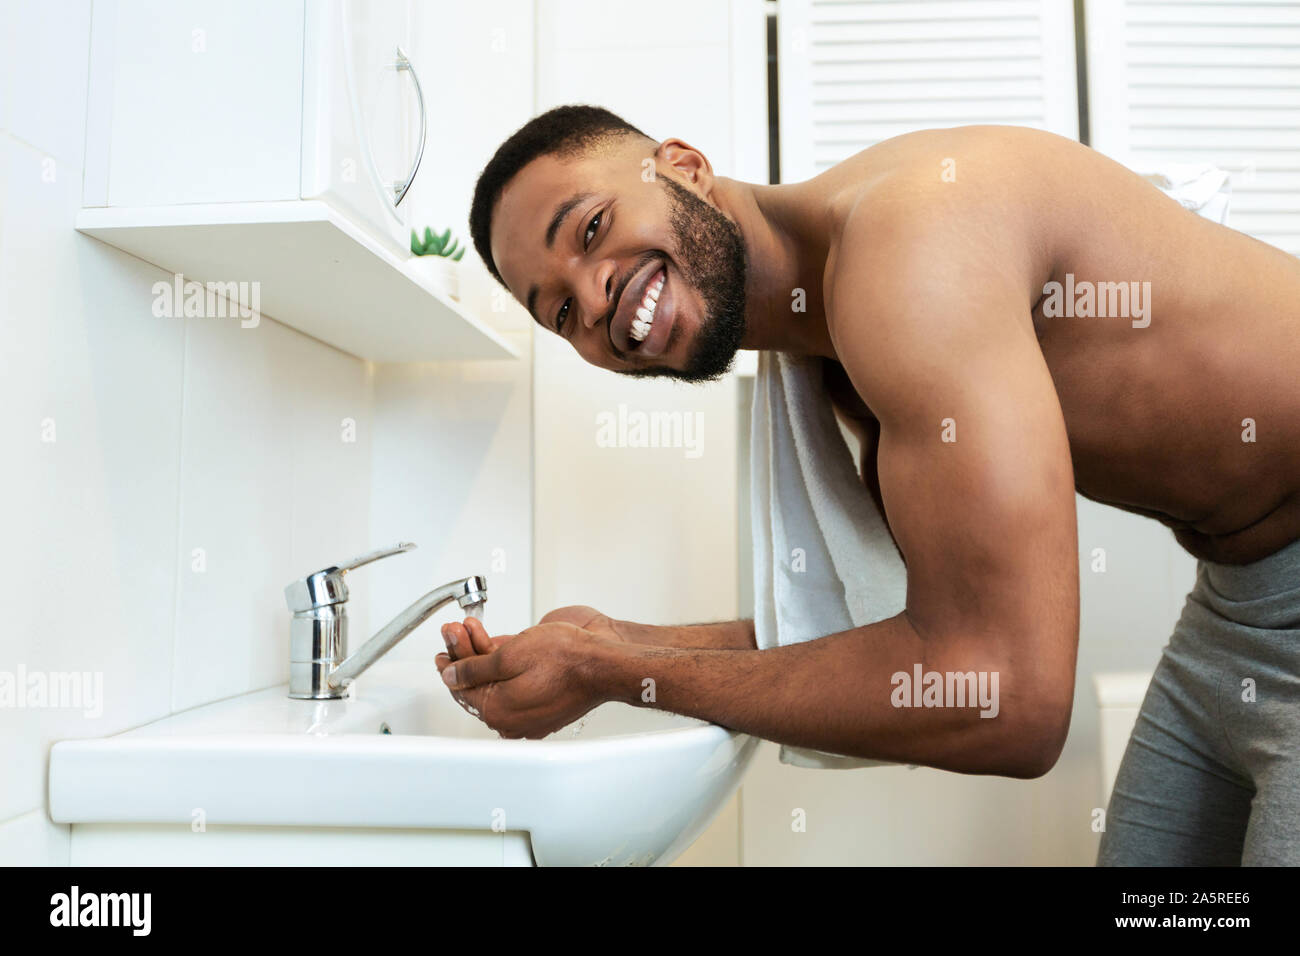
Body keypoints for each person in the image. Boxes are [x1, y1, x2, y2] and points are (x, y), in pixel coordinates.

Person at [437, 105, 1300, 865]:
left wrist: (611, 668)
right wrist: (616, 641)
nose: (592, 301)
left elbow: (1005, 696)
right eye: (556, 313)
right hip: (1239, 612)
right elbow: (909, 638)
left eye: (588, 229)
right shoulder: (836, 352)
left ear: (684, 165)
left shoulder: (907, 250)